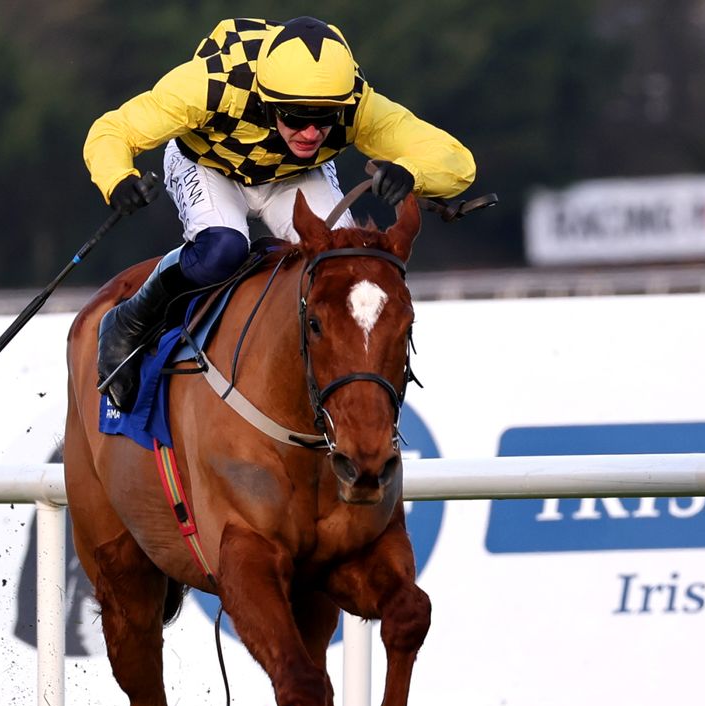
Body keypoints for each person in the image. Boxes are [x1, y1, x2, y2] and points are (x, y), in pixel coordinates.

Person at [83, 16, 476, 411]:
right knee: (222, 250)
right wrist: (118, 179)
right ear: (266, 100)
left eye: (325, 118)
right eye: (295, 117)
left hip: (294, 175)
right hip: (208, 165)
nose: (310, 133)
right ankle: (130, 320)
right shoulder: (211, 84)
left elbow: (457, 160)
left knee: (344, 270)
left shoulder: (357, 102)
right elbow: (113, 130)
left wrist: (412, 172)